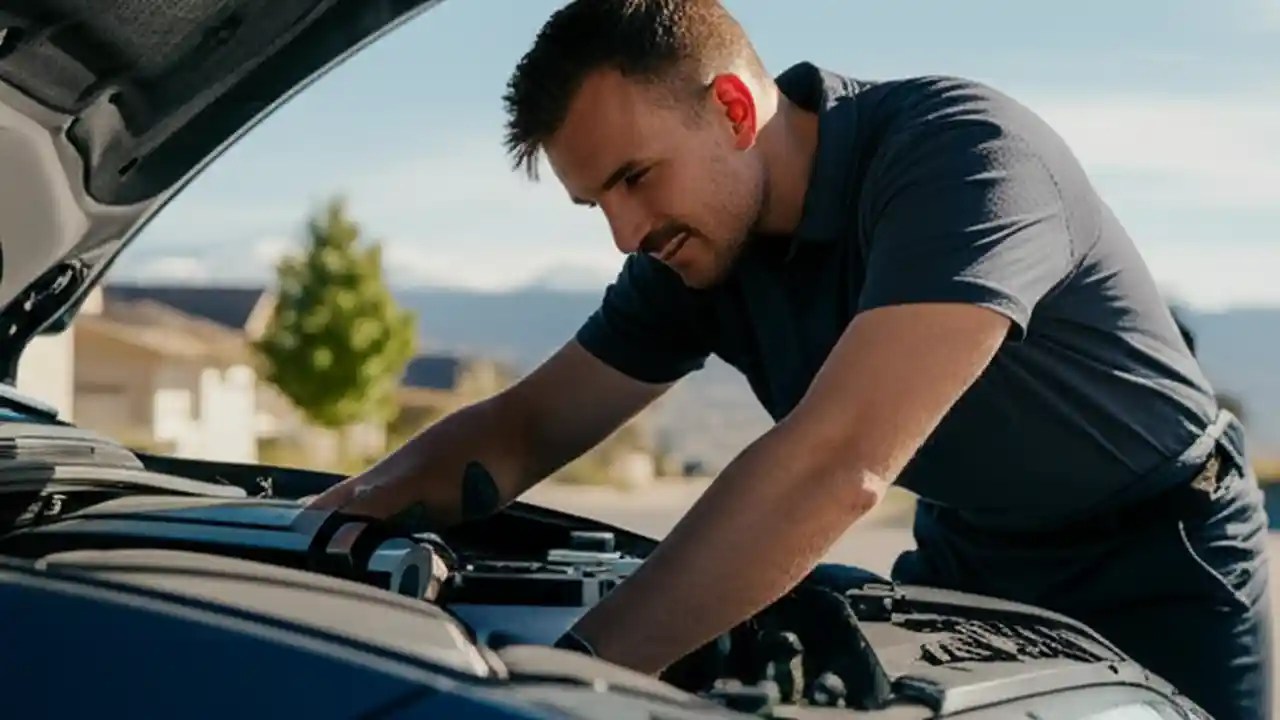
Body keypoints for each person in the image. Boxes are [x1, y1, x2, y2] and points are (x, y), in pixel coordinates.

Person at [308, 1, 1272, 716]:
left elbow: (837, 464)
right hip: (974, 554)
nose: (624, 234)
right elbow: (523, 427)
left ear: (733, 106)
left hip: (1165, 553)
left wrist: (577, 680)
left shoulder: (962, 156)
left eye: (635, 178)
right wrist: (316, 529)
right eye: (597, 201)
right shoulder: (693, 250)